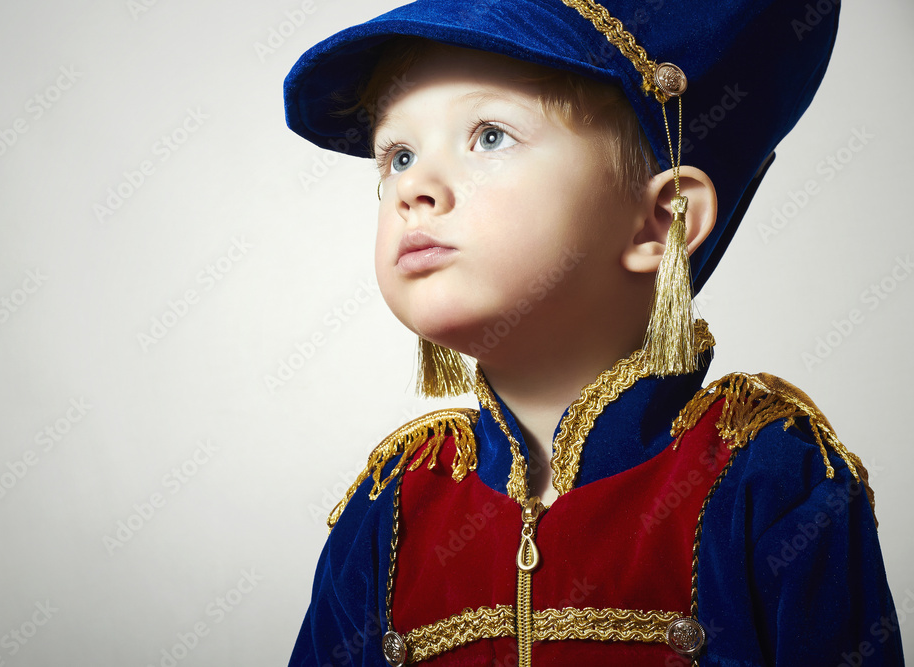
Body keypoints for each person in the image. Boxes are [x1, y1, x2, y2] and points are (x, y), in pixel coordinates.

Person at [282, 0, 904, 665]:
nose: (414, 188)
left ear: (661, 222)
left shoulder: (767, 479)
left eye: (489, 135)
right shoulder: (393, 506)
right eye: (399, 155)